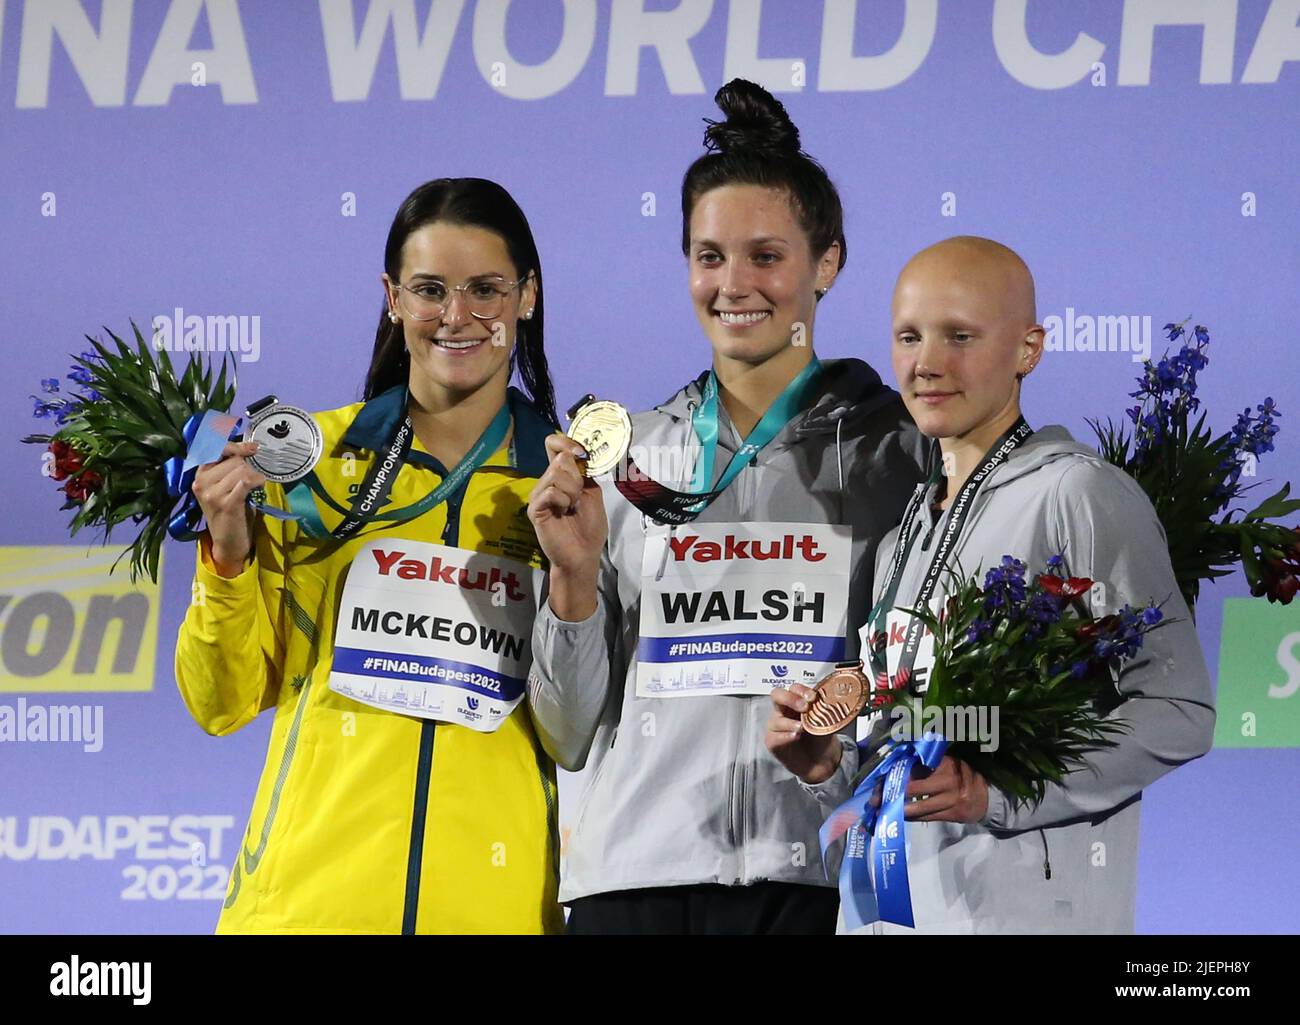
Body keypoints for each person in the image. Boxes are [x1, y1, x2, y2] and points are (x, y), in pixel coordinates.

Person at [527, 80, 930, 935]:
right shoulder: (619, 461)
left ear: (828, 262)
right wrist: (572, 579)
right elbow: (565, 733)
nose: (733, 284)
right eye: (709, 256)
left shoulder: (905, 456)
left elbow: (918, 684)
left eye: (766, 255)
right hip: (632, 884)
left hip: (817, 875)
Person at [766, 235, 1216, 933]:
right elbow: (906, 735)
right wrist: (830, 755)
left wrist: (1001, 789)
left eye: (960, 336)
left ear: (1027, 349)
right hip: (899, 911)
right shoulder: (901, 540)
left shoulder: (1079, 493)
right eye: (909, 336)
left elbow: (1179, 710)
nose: (927, 363)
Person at [176, 178, 565, 934]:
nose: (457, 316)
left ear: (527, 296)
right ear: (392, 297)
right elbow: (219, 701)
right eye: (429, 289)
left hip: (496, 909)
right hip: (306, 907)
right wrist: (225, 553)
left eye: (486, 288)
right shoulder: (302, 463)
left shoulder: (566, 488)